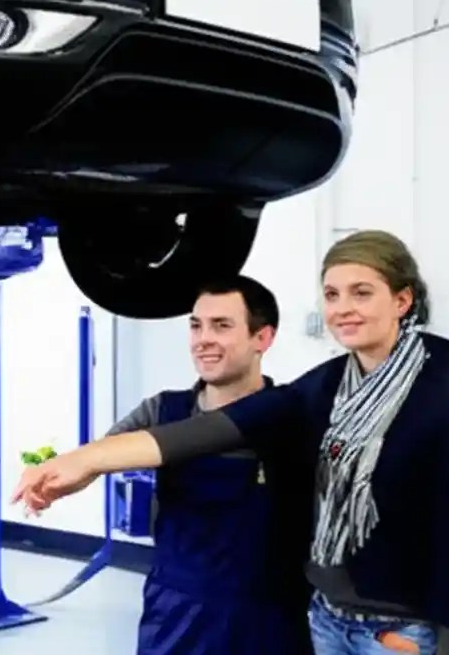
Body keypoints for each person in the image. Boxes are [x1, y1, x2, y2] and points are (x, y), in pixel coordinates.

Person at [13, 230, 449, 655]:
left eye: (361, 293)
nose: (342, 308)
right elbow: (216, 428)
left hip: (394, 632)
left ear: (402, 301)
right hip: (324, 620)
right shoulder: (327, 386)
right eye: (331, 294)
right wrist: (84, 462)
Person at [100, 274, 314, 655]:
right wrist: (67, 472)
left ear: (262, 338)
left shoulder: (289, 416)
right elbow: (108, 452)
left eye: (222, 326)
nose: (203, 339)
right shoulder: (163, 410)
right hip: (176, 613)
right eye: (196, 326)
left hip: (266, 619)